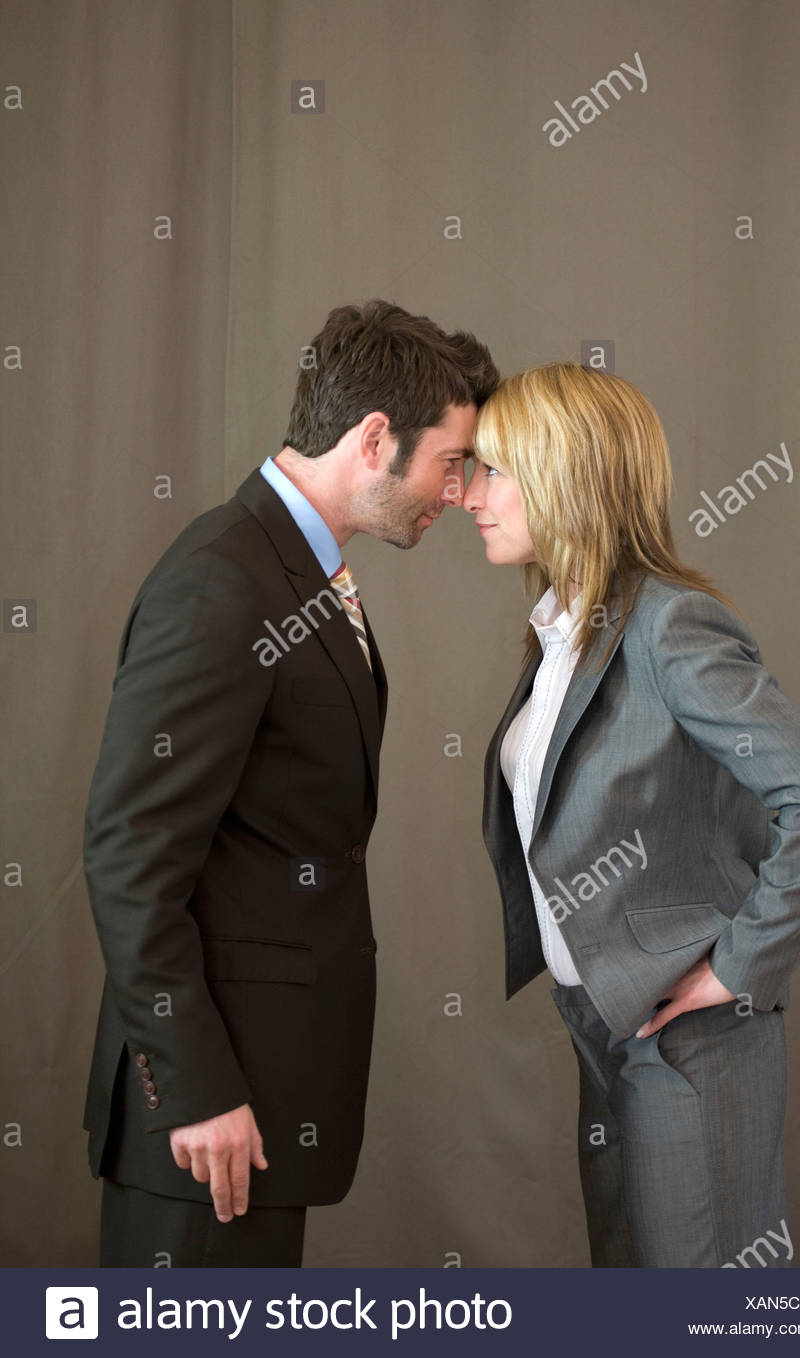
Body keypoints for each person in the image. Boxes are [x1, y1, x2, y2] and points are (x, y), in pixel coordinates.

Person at [83, 298, 499, 1267]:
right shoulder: (223, 579)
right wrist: (193, 1087)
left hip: (258, 1107)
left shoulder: (300, 570)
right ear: (373, 438)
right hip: (204, 1124)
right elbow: (128, 854)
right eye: (449, 460)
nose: (456, 489)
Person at [463, 361, 800, 1268]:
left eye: (492, 470)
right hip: (599, 1028)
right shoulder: (562, 630)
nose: (468, 495)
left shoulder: (669, 626)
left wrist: (739, 966)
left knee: (709, 1310)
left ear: (562, 475)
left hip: (690, 1040)